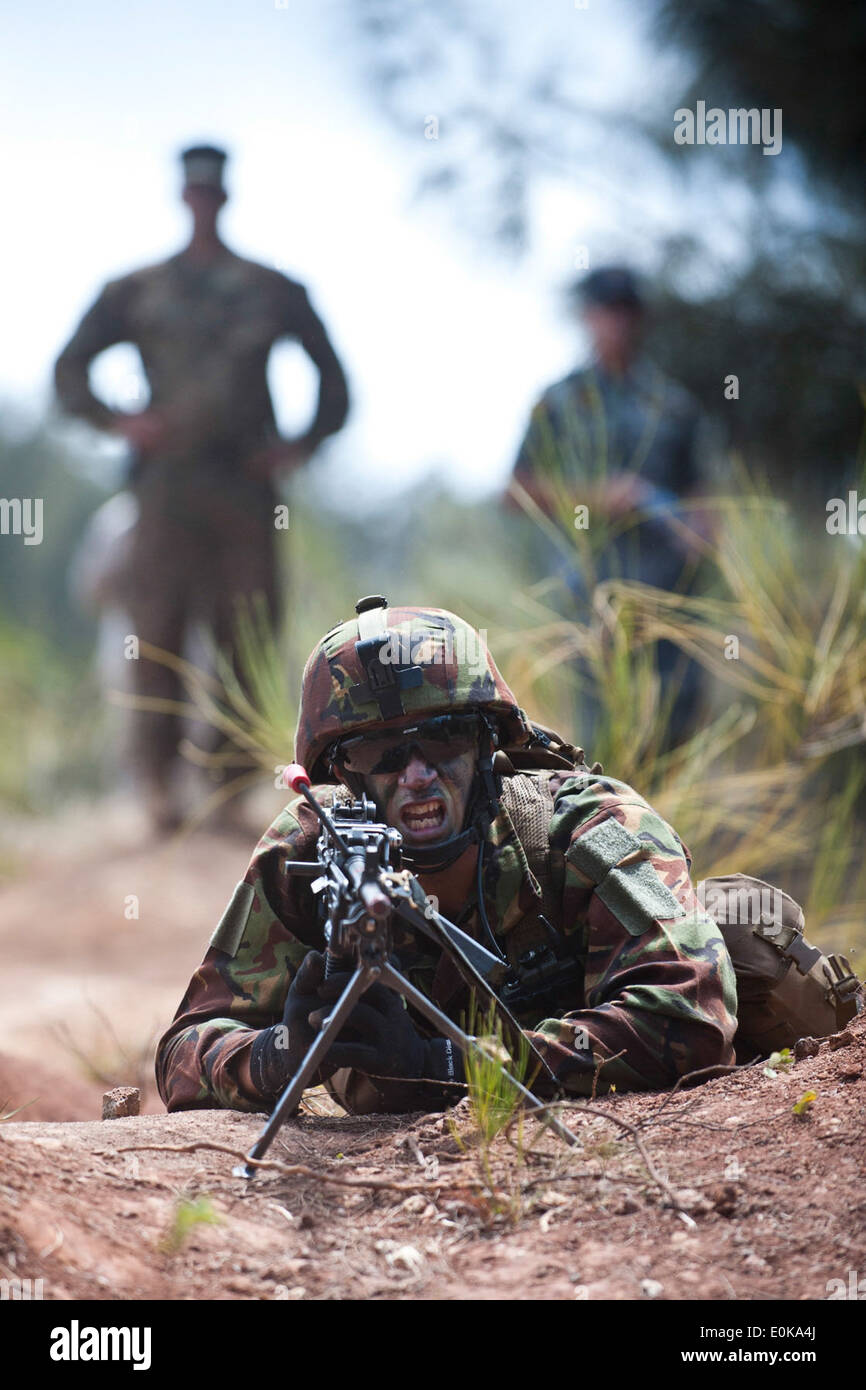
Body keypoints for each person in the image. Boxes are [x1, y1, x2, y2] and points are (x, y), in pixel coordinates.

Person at [155, 596, 737, 1116]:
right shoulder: (308, 851)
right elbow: (183, 1051)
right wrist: (278, 1056)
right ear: (345, 773)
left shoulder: (584, 830)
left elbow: (690, 1015)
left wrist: (455, 1069)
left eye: (443, 738)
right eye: (382, 751)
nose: (416, 774)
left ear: (488, 743)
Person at [54, 145, 350, 831]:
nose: (203, 202)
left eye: (213, 192)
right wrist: (121, 422)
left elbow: (334, 383)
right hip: (165, 495)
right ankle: (157, 792)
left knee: (246, 639)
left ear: (225, 198)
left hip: (248, 494)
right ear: (182, 197)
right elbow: (69, 371)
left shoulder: (272, 288)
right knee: (154, 637)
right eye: (195, 191)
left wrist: (298, 446)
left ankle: (228, 792)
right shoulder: (136, 289)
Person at [508, 265, 710, 740]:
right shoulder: (558, 402)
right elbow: (517, 489)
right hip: (593, 588)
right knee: (603, 721)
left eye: (625, 312)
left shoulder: (672, 404)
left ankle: (668, 809)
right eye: (606, 311)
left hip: (668, 589)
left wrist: (700, 532)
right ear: (587, 317)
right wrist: (601, 497)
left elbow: (702, 490)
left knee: (676, 711)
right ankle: (608, 812)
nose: (616, 323)